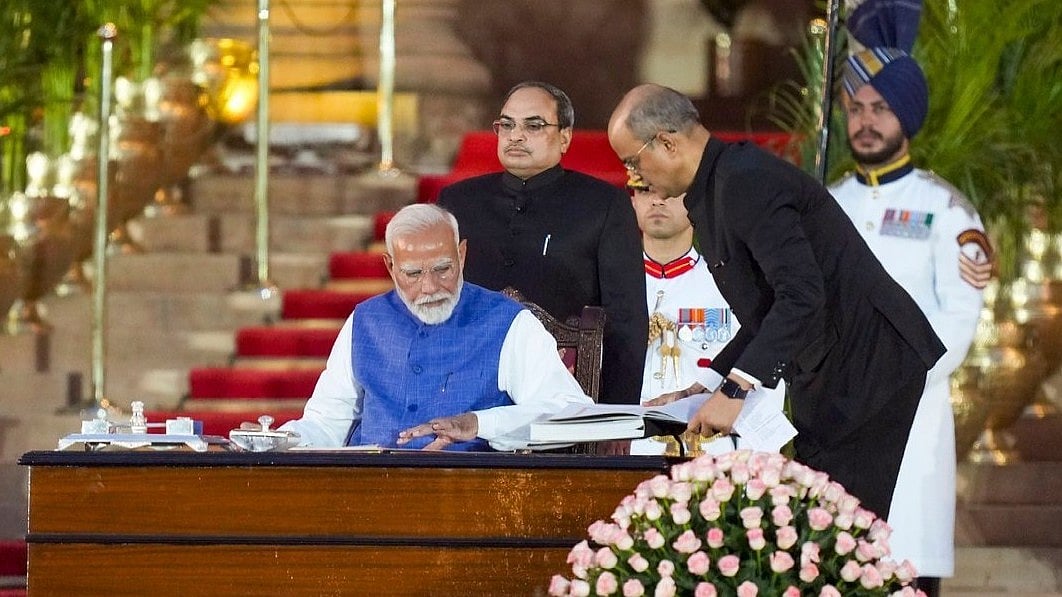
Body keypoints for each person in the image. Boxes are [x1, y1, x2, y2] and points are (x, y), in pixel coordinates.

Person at [607, 83, 946, 519]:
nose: (636, 176)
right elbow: (765, 309)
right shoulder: (715, 187)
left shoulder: (745, 180)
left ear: (667, 142)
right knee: (820, 520)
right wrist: (706, 385)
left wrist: (735, 390)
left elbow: (801, 295)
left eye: (633, 161)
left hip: (867, 363)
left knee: (839, 523)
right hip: (831, 363)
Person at [829, 3, 991, 592]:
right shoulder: (827, 205)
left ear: (907, 114)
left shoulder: (946, 211)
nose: (866, 121)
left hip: (912, 414)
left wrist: (893, 377)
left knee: (906, 568)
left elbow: (960, 316)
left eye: (881, 108)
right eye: (857, 108)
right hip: (834, 414)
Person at [278, 203, 593, 451]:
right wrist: (276, 440)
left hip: (469, 495)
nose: (429, 287)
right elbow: (326, 423)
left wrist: (478, 423)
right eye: (413, 274)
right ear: (390, 266)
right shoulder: (365, 320)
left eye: (443, 269)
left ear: (461, 255)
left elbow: (572, 412)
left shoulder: (509, 322)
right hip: (370, 493)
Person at [437, 81, 648, 405]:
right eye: (506, 125)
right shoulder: (458, 201)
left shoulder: (603, 204)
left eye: (533, 126)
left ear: (564, 137)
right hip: (464, 388)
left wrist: (616, 413)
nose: (516, 135)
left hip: (561, 396)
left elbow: (626, 320)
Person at [627, 179, 786, 456]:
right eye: (645, 191)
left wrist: (750, 460)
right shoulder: (609, 283)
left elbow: (763, 364)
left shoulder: (730, 285)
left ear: (695, 203)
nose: (657, 200)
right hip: (628, 451)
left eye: (669, 192)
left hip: (713, 453)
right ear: (632, 201)